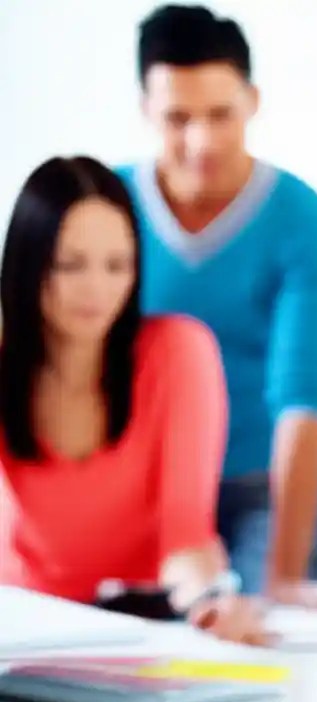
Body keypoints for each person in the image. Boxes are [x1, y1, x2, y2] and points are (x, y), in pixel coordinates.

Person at [115, 5, 317, 600]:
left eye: (221, 114)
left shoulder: (304, 219)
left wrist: (283, 582)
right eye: (177, 118)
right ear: (146, 109)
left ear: (253, 100)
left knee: (288, 632)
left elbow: (300, 399)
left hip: (266, 476)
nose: (202, 141)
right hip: (145, 478)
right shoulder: (106, 209)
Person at [0, 156, 265, 644]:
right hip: (23, 630)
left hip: (143, 629)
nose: (97, 288)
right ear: (27, 263)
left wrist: (210, 601)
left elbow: (186, 533)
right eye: (69, 264)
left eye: (117, 265)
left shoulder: (178, 352)